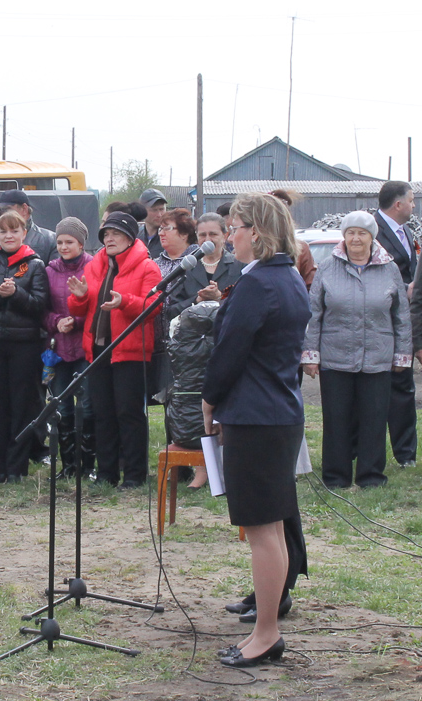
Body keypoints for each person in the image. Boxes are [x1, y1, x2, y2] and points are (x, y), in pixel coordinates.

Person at [202, 192, 311, 667]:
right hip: (276, 414)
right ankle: (265, 629)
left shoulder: (259, 284)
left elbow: (230, 352)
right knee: (271, 528)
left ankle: (266, 634)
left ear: (258, 232)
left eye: (236, 226)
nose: (230, 235)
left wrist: (208, 399)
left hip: (256, 416)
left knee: (263, 531)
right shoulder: (285, 278)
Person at [302, 211, 410, 489]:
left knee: (374, 419)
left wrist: (402, 354)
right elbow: (314, 313)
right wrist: (310, 355)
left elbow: (401, 315)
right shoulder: (328, 267)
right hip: (335, 356)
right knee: (336, 419)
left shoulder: (389, 269)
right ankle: (336, 477)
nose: (355, 238)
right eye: (350, 232)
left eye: (362, 233)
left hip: (378, 356)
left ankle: (371, 476)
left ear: (372, 237)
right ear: (344, 236)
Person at [66, 212, 161, 488]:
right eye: (105, 234)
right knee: (102, 413)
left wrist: (125, 302)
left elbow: (154, 307)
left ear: (130, 238)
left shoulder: (147, 267)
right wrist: (80, 297)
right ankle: (106, 473)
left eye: (115, 234)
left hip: (129, 351)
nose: (109, 239)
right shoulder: (95, 265)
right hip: (98, 350)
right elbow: (80, 309)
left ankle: (134, 474)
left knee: (128, 413)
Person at [0, 210, 50, 481]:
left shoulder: (36, 264)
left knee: (21, 405)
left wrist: (16, 294)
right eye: (3, 232)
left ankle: (17, 467)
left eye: (14, 231)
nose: (8, 236)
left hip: (24, 345)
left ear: (24, 233)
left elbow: (40, 305)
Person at [45, 217, 95, 479]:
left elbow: (97, 305)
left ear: (81, 243)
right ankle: (68, 466)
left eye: (69, 242)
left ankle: (87, 466)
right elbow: (42, 308)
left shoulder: (94, 266)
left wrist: (74, 320)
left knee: (87, 407)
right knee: (61, 407)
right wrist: (56, 322)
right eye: (60, 242)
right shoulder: (49, 270)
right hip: (58, 347)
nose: (64, 247)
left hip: (85, 347)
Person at [374, 181, 418, 468]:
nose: (414, 206)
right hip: (378, 322)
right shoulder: (373, 230)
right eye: (412, 201)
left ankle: (405, 454)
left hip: (404, 322)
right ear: (398, 204)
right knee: (374, 390)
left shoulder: (408, 232)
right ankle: (366, 451)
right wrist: (406, 288)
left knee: (403, 388)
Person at [150, 208, 200, 399]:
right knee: (164, 398)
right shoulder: (155, 263)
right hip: (159, 345)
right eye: (160, 229)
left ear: (185, 233)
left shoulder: (199, 260)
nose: (160, 233)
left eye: (167, 228)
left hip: (189, 344)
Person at [165, 213, 243, 319]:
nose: (207, 240)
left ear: (224, 236)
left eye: (213, 234)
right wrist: (197, 300)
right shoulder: (186, 267)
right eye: (202, 235)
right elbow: (171, 311)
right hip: (192, 333)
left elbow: (245, 305)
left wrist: (219, 297)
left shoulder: (239, 266)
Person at [0, 189, 58, 265]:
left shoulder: (50, 240)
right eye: (1, 210)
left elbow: (57, 273)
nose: (3, 214)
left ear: (24, 209)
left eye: (7, 209)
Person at [137, 188, 167, 260]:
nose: (159, 215)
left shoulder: (169, 238)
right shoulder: (135, 236)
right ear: (142, 211)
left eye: (162, 209)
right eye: (154, 210)